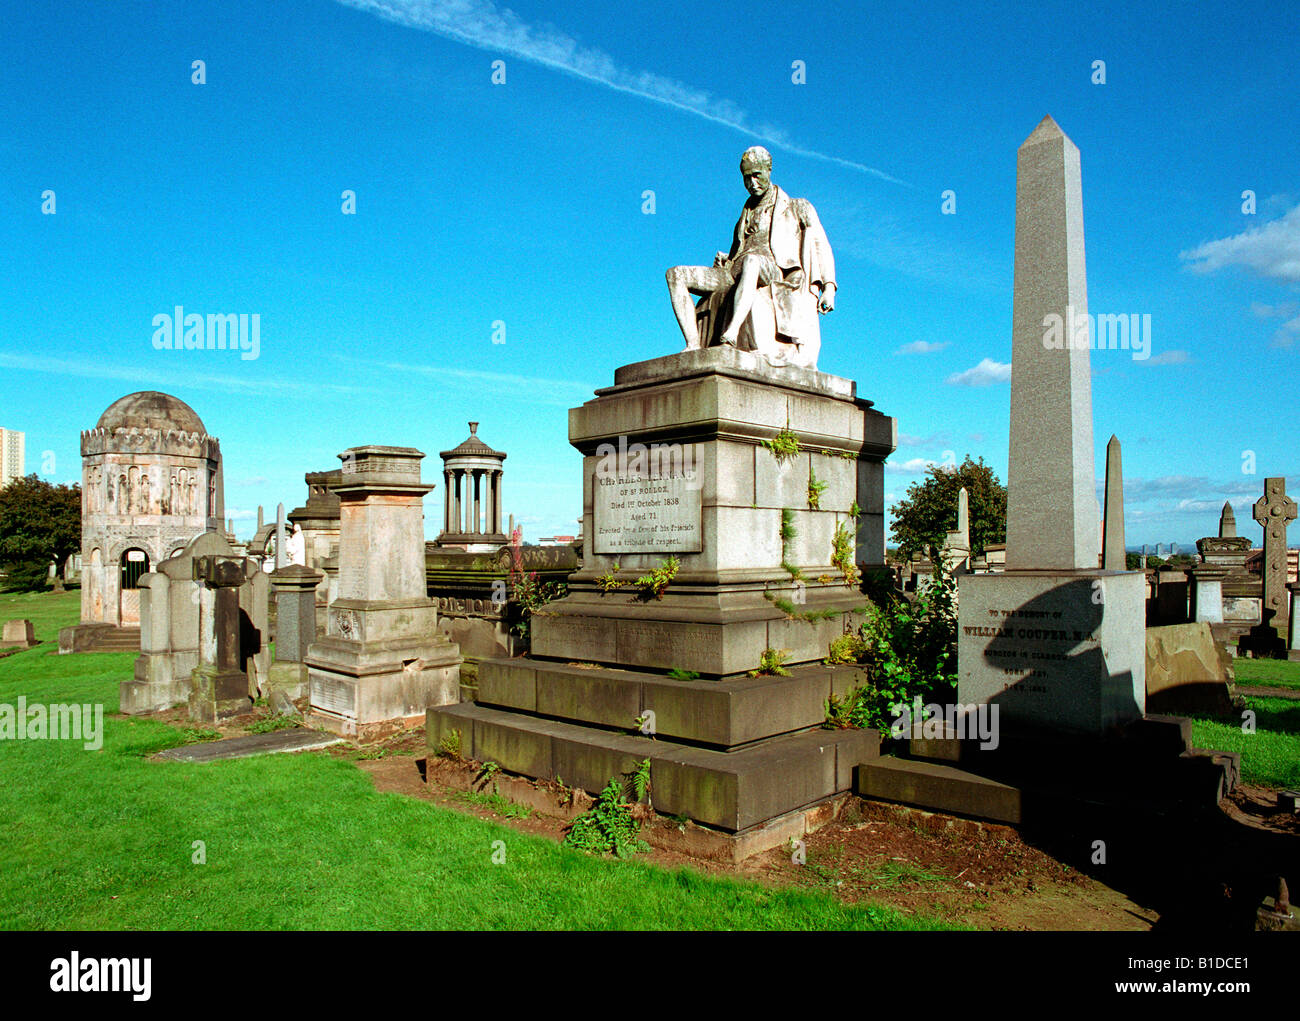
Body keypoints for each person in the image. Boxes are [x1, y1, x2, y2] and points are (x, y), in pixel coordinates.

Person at [666, 146, 835, 368]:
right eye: (747, 178)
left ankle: (731, 334)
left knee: (752, 260)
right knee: (676, 274)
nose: (752, 183)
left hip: (773, 270)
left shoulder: (796, 206)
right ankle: (693, 346)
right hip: (734, 271)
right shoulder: (744, 213)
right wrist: (727, 259)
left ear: (769, 170)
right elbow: (742, 250)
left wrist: (829, 287)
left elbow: (820, 244)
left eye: (757, 175)